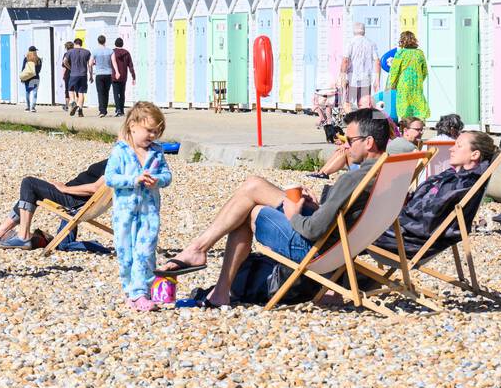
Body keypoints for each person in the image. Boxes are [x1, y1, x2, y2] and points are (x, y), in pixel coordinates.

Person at [160, 109, 390, 307]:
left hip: (319, 250)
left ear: (368, 142)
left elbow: (312, 231)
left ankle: (210, 271)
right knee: (253, 185)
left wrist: (294, 214)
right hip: (343, 244)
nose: (344, 146)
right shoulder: (388, 173)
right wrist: (317, 206)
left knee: (251, 210)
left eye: (349, 141)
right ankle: (202, 256)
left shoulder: (353, 179)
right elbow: (343, 216)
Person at [373, 131, 498, 257]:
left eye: (458, 146)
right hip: (408, 233)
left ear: (475, 154)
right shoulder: (456, 176)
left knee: (356, 233)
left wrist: (387, 217)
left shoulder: (463, 184)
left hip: (409, 241)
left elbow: (425, 221)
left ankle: (357, 274)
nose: (451, 149)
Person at [106, 102, 173, 312]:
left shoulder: (156, 152)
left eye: (156, 132)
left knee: (145, 251)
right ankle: (130, 291)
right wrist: (134, 179)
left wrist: (158, 180)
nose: (152, 136)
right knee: (126, 253)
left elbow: (167, 175)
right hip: (125, 213)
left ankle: (141, 291)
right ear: (132, 125)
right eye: (149, 130)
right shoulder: (120, 151)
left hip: (149, 211)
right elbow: (110, 178)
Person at [0, 158, 108, 248]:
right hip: (75, 199)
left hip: (73, 200)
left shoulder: (116, 162)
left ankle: (23, 236)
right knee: (32, 192)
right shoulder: (122, 161)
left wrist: (65, 189)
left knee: (29, 184)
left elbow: (95, 188)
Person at [308, 116, 423, 180]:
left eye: (421, 129)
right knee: (345, 151)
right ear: (406, 131)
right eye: (418, 130)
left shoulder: (403, 144)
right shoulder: (407, 146)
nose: (421, 132)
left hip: (371, 174)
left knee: (345, 152)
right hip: (383, 176)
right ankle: (322, 173)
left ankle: (323, 173)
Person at [387, 30, 430, 119]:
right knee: (418, 105)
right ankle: (418, 124)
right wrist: (420, 80)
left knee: (404, 106)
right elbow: (425, 70)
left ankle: (405, 126)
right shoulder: (419, 53)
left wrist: (391, 84)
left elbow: (395, 71)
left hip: (404, 84)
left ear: (402, 40)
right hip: (417, 84)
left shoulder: (401, 53)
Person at [342, 22, 381, 110]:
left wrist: (343, 77)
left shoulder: (350, 43)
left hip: (352, 77)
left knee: (348, 103)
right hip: (366, 77)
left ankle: (352, 122)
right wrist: (377, 80)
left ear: (353, 31)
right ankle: (363, 122)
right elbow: (377, 61)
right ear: (364, 31)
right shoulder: (371, 43)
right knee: (364, 104)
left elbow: (345, 61)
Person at [65, 37, 93, 117]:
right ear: (81, 44)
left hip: (73, 74)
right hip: (83, 75)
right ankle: (80, 110)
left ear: (74, 44)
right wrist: (91, 75)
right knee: (81, 93)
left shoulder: (70, 51)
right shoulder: (87, 52)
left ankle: (73, 101)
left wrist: (70, 67)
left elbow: (65, 61)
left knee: (70, 89)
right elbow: (90, 65)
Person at [110, 37, 137, 116]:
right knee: (122, 93)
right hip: (123, 76)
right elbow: (130, 66)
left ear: (115, 44)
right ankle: (121, 110)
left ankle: (118, 109)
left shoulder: (112, 52)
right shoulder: (126, 53)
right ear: (122, 44)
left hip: (114, 75)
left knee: (116, 93)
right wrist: (133, 76)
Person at [91, 34, 114, 117]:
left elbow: (90, 63)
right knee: (106, 92)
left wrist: (91, 73)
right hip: (108, 74)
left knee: (100, 92)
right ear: (105, 41)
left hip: (99, 74)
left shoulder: (95, 51)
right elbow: (114, 62)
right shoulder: (110, 51)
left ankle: (102, 111)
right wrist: (117, 72)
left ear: (98, 41)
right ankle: (105, 109)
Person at [21, 46, 42, 112]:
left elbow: (23, 68)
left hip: (27, 78)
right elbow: (39, 70)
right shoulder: (38, 59)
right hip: (35, 77)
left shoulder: (26, 59)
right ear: (35, 51)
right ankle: (33, 107)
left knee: (27, 92)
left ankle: (27, 107)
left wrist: (22, 77)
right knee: (35, 92)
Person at [60, 40, 74, 112]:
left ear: (66, 47)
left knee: (67, 90)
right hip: (75, 73)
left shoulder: (66, 54)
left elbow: (64, 66)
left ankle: (66, 105)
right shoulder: (75, 54)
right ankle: (76, 104)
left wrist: (63, 75)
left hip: (68, 74)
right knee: (75, 89)